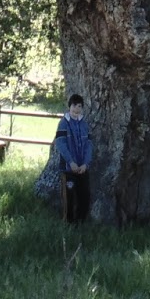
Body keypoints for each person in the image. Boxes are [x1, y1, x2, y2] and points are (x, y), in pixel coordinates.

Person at [55, 93, 92, 222]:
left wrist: (85, 164)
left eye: (79, 108)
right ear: (69, 107)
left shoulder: (84, 125)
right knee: (69, 198)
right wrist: (71, 162)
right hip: (68, 168)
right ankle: (68, 224)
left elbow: (89, 146)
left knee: (85, 196)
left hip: (82, 168)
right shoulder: (63, 124)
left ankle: (81, 223)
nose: (76, 111)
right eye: (74, 108)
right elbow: (61, 144)